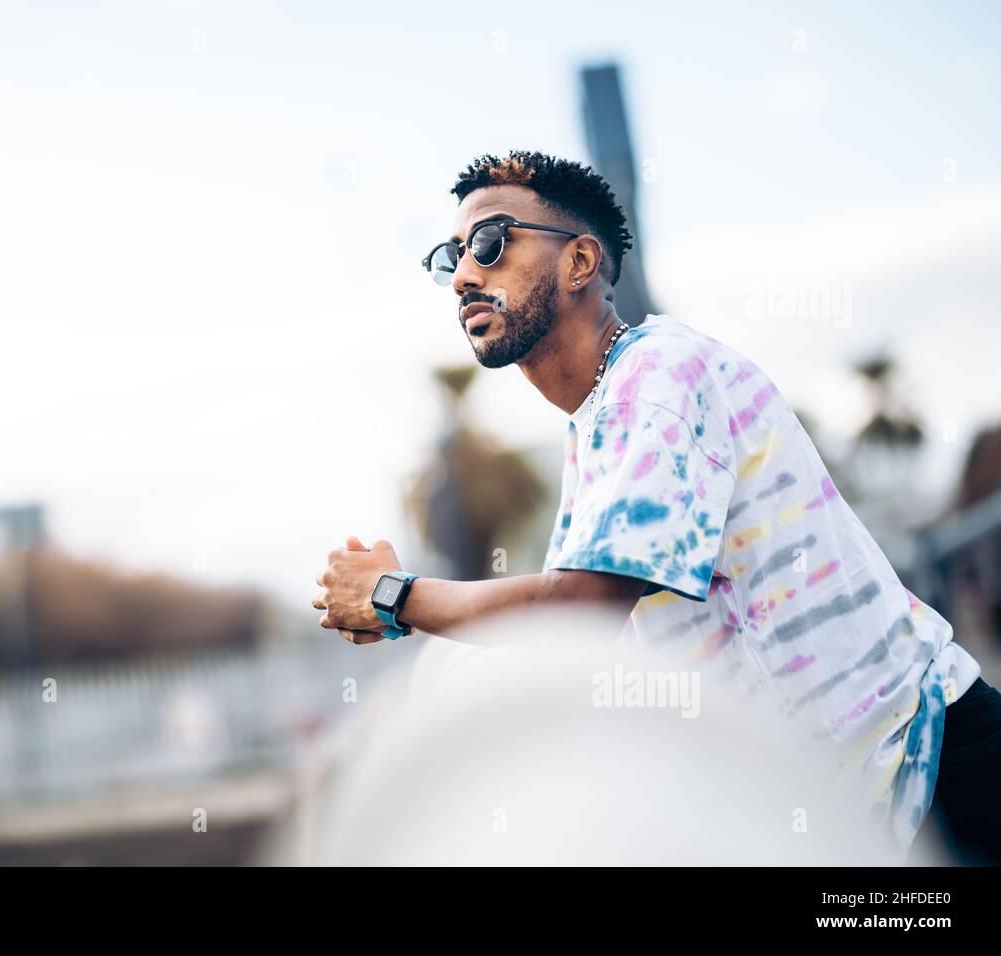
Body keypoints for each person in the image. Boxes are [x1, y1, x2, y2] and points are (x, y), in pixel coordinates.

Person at [311, 149, 998, 863]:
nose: (462, 275)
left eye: (489, 242)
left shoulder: (660, 374)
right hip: (863, 811)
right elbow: (592, 646)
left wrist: (396, 596)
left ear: (579, 262)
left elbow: (585, 605)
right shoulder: (600, 425)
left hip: (938, 767)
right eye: (449, 256)